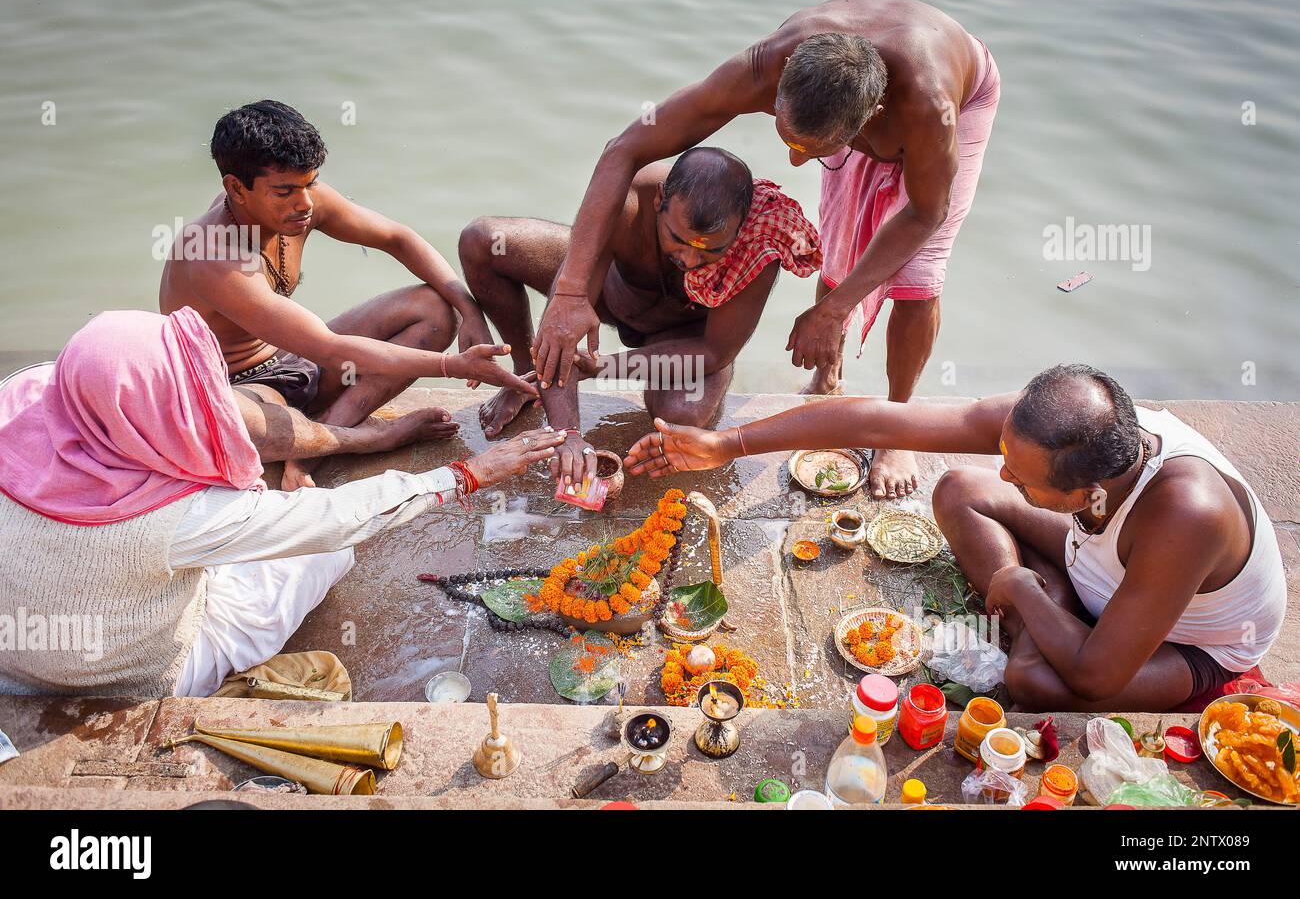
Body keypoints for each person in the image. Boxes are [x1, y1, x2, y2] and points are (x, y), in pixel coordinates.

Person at [531, 0, 1000, 500]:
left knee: (917, 278)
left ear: (874, 117)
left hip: (954, 92)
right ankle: (828, 374)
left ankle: (899, 423)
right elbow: (624, 149)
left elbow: (926, 212)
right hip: (842, 102)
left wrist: (833, 309)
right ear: (776, 93)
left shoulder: (930, 111)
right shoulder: (765, 65)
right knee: (839, 250)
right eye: (787, 141)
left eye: (812, 151)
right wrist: (571, 293)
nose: (796, 164)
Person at [624, 365, 1286, 712]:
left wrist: (1022, 586)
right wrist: (729, 442)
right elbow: (886, 420)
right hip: (1099, 569)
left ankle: (1038, 601)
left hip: (1190, 645)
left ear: (1090, 494)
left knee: (1034, 681)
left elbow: (1095, 675)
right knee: (958, 492)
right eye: (1008, 454)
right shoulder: (1069, 431)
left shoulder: (1185, 513)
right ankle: (1051, 604)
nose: (1005, 472)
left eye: (1022, 477)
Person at [0, 309, 564, 697]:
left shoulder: (23, 408)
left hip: (17, 661)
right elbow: (339, 518)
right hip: (127, 676)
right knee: (324, 551)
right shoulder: (172, 521)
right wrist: (468, 471)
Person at [160, 99, 536, 489]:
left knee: (436, 308)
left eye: (311, 183)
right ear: (236, 188)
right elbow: (330, 349)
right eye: (285, 191)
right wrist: (455, 366)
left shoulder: (302, 200)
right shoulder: (209, 253)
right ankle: (367, 438)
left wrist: (469, 311)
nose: (304, 203)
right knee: (237, 425)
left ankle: (315, 442)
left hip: (293, 358)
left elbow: (398, 238)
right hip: (239, 387)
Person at [460, 146, 820, 491]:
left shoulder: (759, 244)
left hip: (683, 332)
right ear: (659, 199)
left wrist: (603, 367)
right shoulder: (628, 194)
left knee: (681, 417)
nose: (691, 262)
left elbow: (714, 351)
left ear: (739, 228)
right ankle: (526, 378)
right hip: (612, 294)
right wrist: (567, 435)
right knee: (484, 240)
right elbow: (565, 312)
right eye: (677, 240)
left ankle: (552, 376)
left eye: (712, 250)